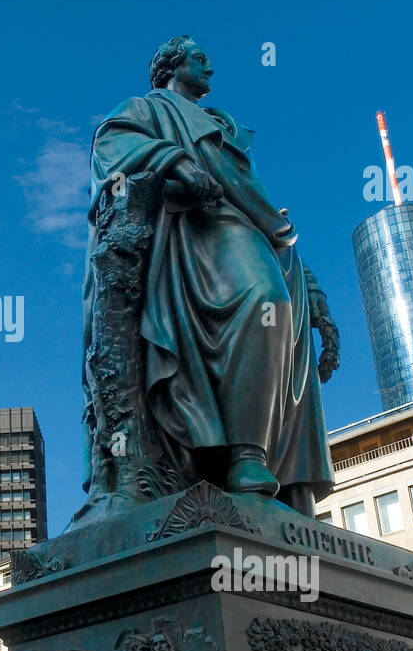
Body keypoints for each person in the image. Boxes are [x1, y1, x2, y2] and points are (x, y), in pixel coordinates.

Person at [76, 35, 338, 525]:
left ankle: (250, 458)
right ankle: (237, 458)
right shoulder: (146, 107)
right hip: (187, 232)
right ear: (171, 66)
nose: (211, 68)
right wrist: (171, 158)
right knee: (264, 301)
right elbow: (111, 147)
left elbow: (262, 205)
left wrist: (313, 287)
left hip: (246, 229)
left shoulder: (225, 126)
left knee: (274, 309)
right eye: (201, 59)